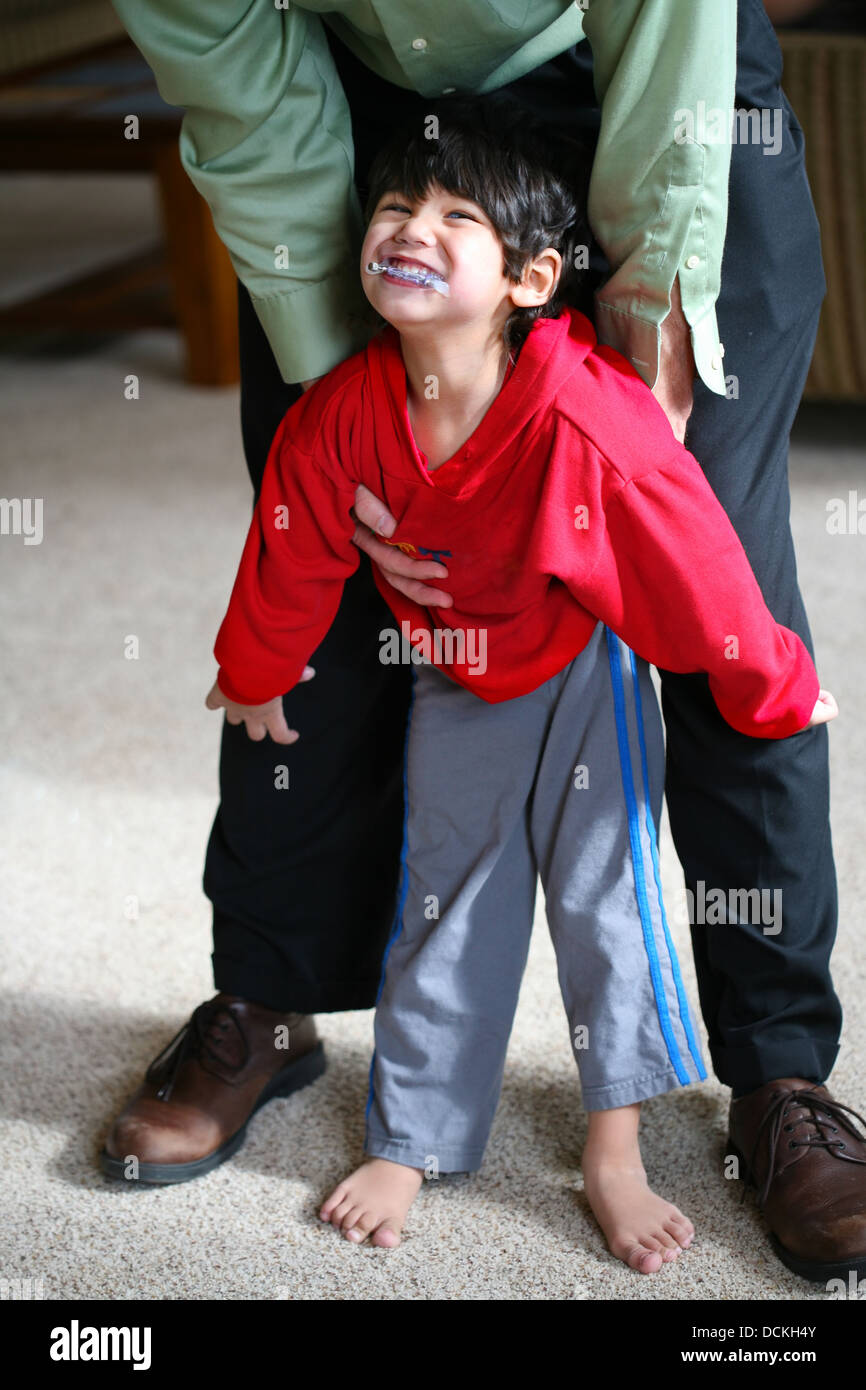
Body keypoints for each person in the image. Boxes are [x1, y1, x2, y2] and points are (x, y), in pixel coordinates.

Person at [104, 0, 866, 1281]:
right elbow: (240, 81)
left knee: (709, 588)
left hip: (662, 97)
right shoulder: (402, 237)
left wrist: (632, 418)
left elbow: (699, 588)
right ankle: (267, 997)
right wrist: (365, 420)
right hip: (380, 114)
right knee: (325, 581)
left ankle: (778, 1074)